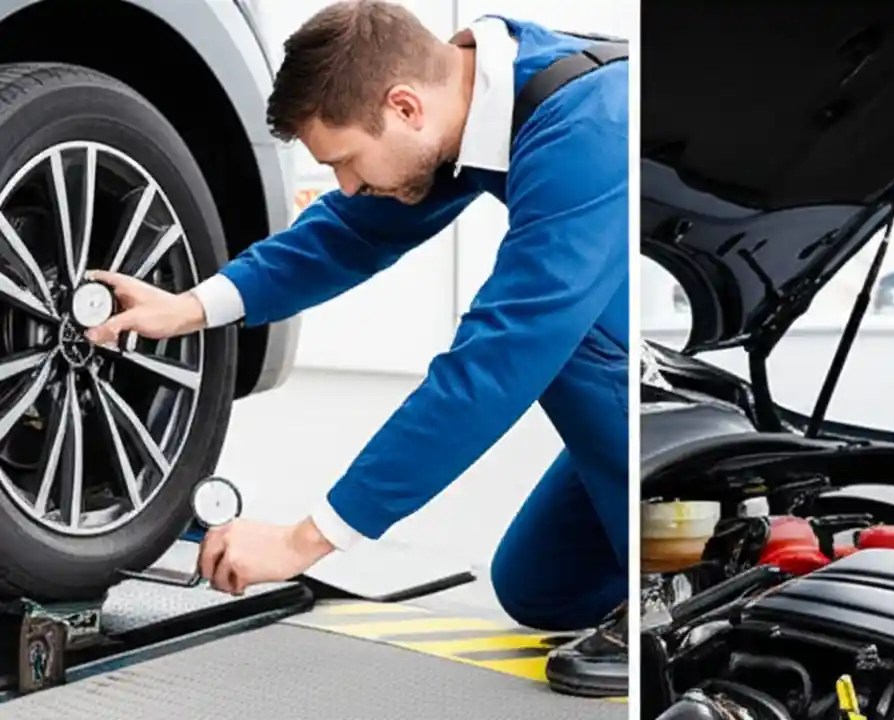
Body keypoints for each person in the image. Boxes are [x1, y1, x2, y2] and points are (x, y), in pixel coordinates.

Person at [82, 0, 628, 697]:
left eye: (344, 161)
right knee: (538, 587)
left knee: (553, 343)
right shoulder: (473, 96)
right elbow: (348, 232)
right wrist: (191, 307)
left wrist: (304, 541)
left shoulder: (589, 126)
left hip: (661, 394)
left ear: (404, 107)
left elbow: (492, 366)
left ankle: (676, 583)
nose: (343, 186)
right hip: (625, 378)